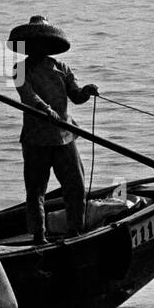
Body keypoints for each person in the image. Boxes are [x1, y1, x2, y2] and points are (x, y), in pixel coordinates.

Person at [8, 15, 99, 245]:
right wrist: (45, 109)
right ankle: (39, 235)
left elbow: (76, 96)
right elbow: (28, 96)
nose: (39, 47)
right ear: (28, 45)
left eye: (43, 42)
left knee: (75, 185)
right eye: (34, 42)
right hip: (36, 137)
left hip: (64, 135)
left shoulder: (62, 68)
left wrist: (87, 91)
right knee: (36, 190)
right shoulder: (19, 69)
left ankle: (74, 231)